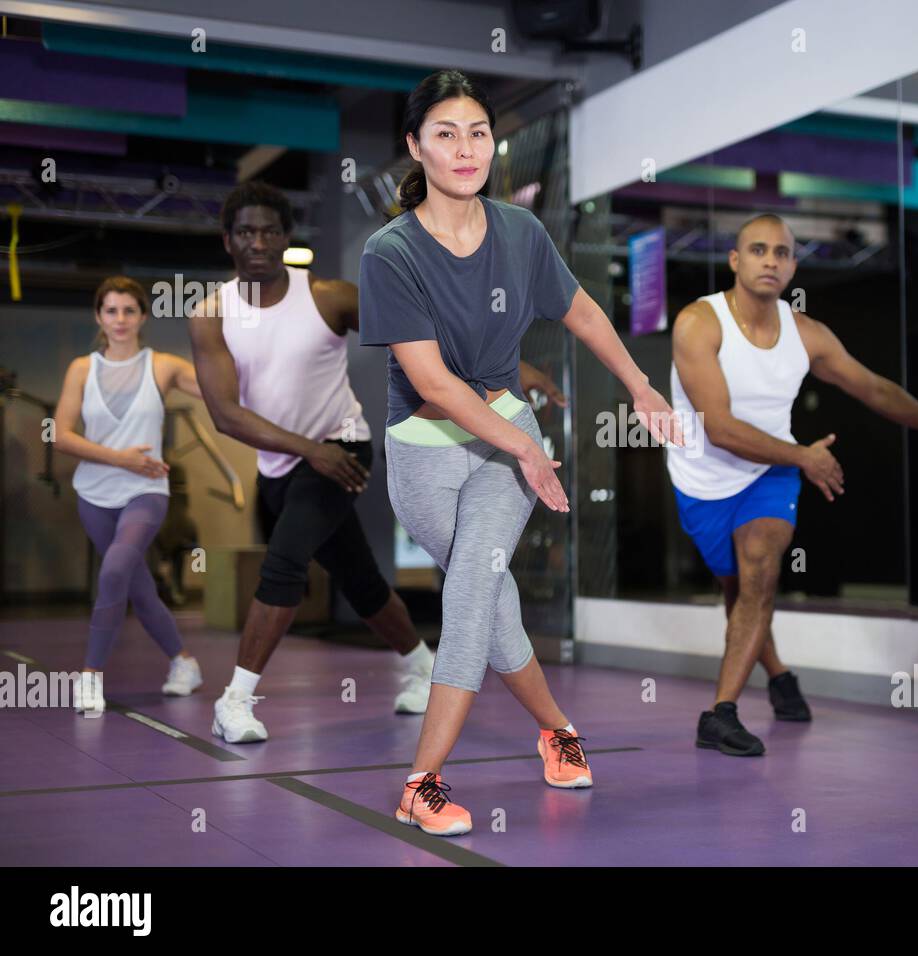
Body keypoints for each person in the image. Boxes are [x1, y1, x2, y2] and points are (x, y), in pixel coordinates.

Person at [358, 70, 680, 836]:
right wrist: (527, 450)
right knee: (496, 608)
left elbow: (583, 312)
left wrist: (640, 384)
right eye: (445, 133)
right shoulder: (390, 251)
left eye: (477, 132)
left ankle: (420, 781)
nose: (465, 149)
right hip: (426, 454)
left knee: (472, 591)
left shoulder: (521, 232)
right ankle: (558, 729)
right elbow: (431, 384)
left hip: (506, 437)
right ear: (415, 146)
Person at [188, 179, 567, 743]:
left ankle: (235, 698)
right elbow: (225, 415)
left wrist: (508, 374)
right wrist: (306, 450)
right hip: (287, 463)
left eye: (270, 230)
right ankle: (420, 662)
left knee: (285, 564)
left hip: (342, 450)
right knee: (359, 578)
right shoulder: (210, 314)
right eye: (246, 232)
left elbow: (422, 336)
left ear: (286, 237)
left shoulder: (327, 297)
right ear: (228, 241)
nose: (259, 241)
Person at [668, 213, 918, 755]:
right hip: (702, 478)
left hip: (771, 473)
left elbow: (874, 389)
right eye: (757, 250)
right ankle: (780, 676)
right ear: (735, 260)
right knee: (739, 590)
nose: (770, 260)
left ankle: (719, 713)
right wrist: (804, 456)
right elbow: (720, 429)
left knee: (760, 571)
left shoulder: (808, 334)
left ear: (793, 264)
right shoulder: (699, 323)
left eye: (781, 252)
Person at [52, 276, 204, 714]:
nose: (120, 319)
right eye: (111, 310)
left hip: (146, 490)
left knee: (116, 568)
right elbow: (60, 436)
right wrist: (121, 459)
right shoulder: (82, 368)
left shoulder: (164, 365)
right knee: (136, 586)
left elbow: (222, 391)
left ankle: (90, 676)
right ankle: (183, 662)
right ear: (99, 316)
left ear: (143, 315)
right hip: (94, 494)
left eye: (129, 310)